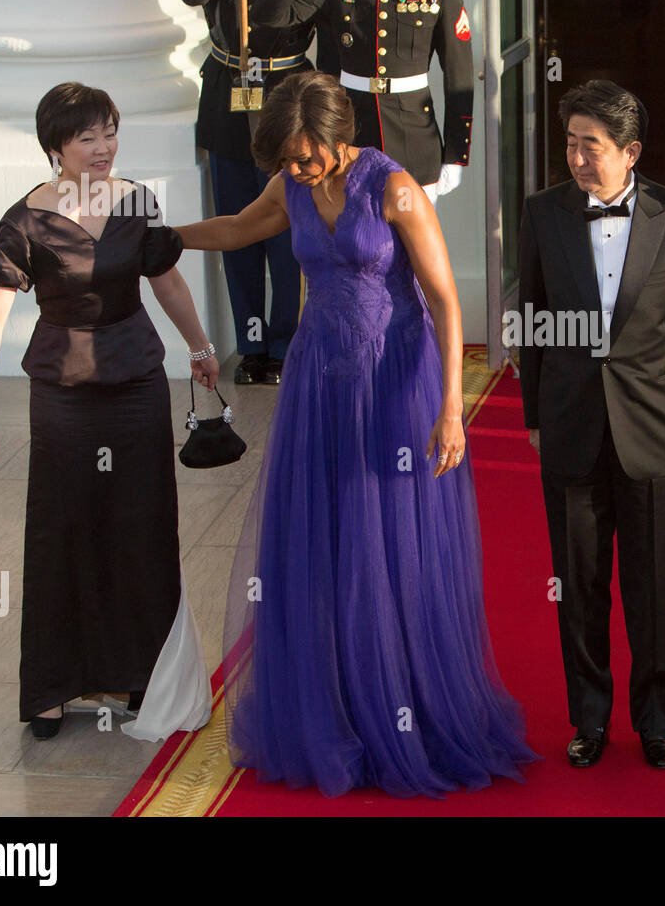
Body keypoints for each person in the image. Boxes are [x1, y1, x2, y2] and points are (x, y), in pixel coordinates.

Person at [172, 71, 534, 798]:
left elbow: (442, 296)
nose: (296, 170)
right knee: (325, 539)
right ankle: (335, 701)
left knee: (386, 542)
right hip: (319, 380)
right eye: (286, 161)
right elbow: (240, 227)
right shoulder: (290, 186)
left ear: (339, 138)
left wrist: (450, 409)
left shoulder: (393, 187)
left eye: (305, 157)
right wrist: (161, 239)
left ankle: (402, 705)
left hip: (395, 379)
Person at [0, 82, 214, 742]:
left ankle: (141, 672)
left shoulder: (138, 202)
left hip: (136, 383)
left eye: (110, 132)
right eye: (88, 138)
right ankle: (52, 686)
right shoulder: (24, 221)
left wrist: (201, 347)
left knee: (141, 526)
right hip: (63, 394)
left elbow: (167, 281)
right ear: (56, 148)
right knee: (61, 529)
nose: (104, 147)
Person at [518, 80, 665, 770]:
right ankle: (589, 718)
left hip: (655, 425)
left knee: (655, 585)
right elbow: (533, 319)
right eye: (570, 143)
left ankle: (656, 718)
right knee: (579, 581)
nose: (576, 157)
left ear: (630, 152)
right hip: (571, 422)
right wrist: (535, 413)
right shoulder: (541, 213)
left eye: (590, 146)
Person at [249, 0, 472, 204]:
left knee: (411, 247)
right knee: (354, 244)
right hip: (350, 138)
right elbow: (265, 13)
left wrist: (456, 154)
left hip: (413, 137)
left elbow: (459, 79)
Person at [177, 0, 316, 385]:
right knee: (236, 230)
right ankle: (251, 343)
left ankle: (284, 344)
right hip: (227, 103)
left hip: (284, 99)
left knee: (285, 230)